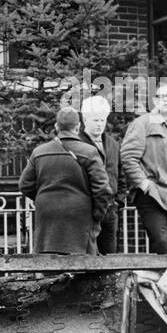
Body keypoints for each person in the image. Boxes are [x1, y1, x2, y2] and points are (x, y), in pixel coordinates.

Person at [18, 106, 113, 254]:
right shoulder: (89, 152)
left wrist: (45, 197)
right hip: (80, 216)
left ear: (56, 127)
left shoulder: (39, 152)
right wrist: (96, 215)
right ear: (78, 127)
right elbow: (102, 189)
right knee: (81, 266)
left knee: (47, 261)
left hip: (47, 216)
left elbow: (25, 185)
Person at [121, 82, 167, 254]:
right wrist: (143, 183)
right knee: (160, 242)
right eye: (161, 97)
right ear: (154, 100)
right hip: (152, 193)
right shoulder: (142, 123)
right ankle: (154, 277)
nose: (166, 100)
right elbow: (128, 156)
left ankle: (158, 280)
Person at [79, 94, 123, 255]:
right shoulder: (78, 144)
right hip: (86, 209)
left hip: (110, 209)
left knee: (109, 255)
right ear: (85, 120)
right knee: (87, 256)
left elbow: (120, 172)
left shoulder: (112, 144)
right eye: (95, 120)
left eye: (102, 120)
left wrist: (119, 201)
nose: (100, 124)